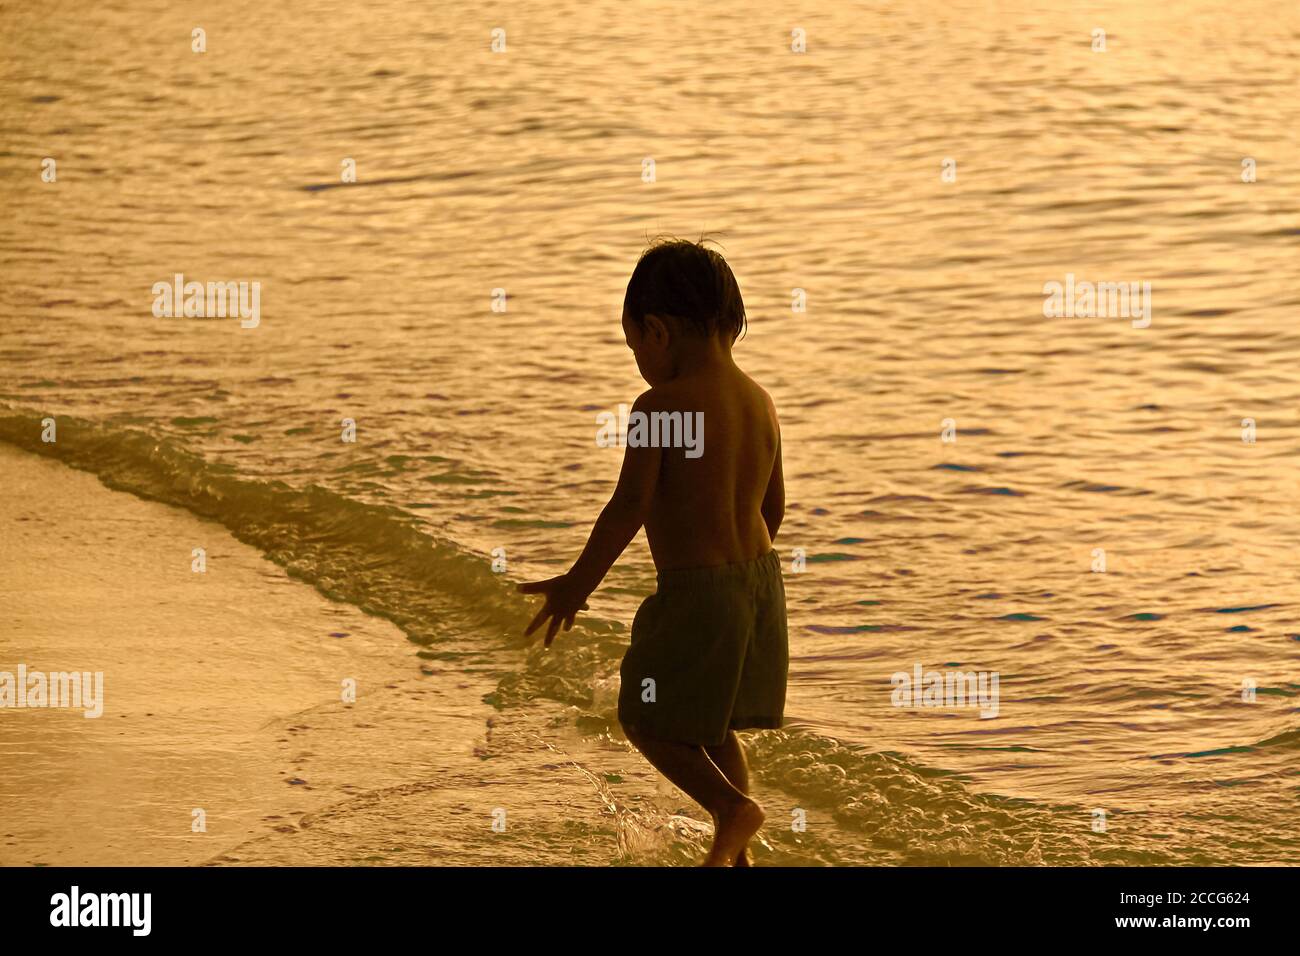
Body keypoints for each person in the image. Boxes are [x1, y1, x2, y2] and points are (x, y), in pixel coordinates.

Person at [519, 238, 788, 866]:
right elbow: (771, 510)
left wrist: (575, 586)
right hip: (760, 584)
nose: (639, 359)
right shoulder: (760, 402)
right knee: (710, 722)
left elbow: (628, 507)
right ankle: (738, 854)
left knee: (644, 715)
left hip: (701, 593)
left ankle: (733, 811)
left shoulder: (659, 409)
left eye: (635, 345)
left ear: (657, 332)